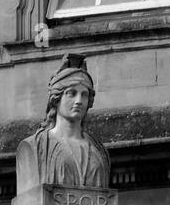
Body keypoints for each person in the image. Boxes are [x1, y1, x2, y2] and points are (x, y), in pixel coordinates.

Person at [16, 52, 110, 190]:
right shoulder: (34, 147)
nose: (79, 101)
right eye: (71, 93)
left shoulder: (99, 151)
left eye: (84, 95)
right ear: (56, 99)